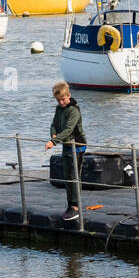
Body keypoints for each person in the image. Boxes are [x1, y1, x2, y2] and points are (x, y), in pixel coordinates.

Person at [44, 81, 87, 222]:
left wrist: (53, 142)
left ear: (69, 95)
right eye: (58, 100)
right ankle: (70, 204)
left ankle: (76, 207)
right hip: (66, 145)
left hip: (77, 145)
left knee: (75, 176)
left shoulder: (74, 110)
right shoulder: (59, 109)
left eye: (63, 99)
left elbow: (69, 129)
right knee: (67, 176)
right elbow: (54, 124)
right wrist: (53, 135)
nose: (61, 102)